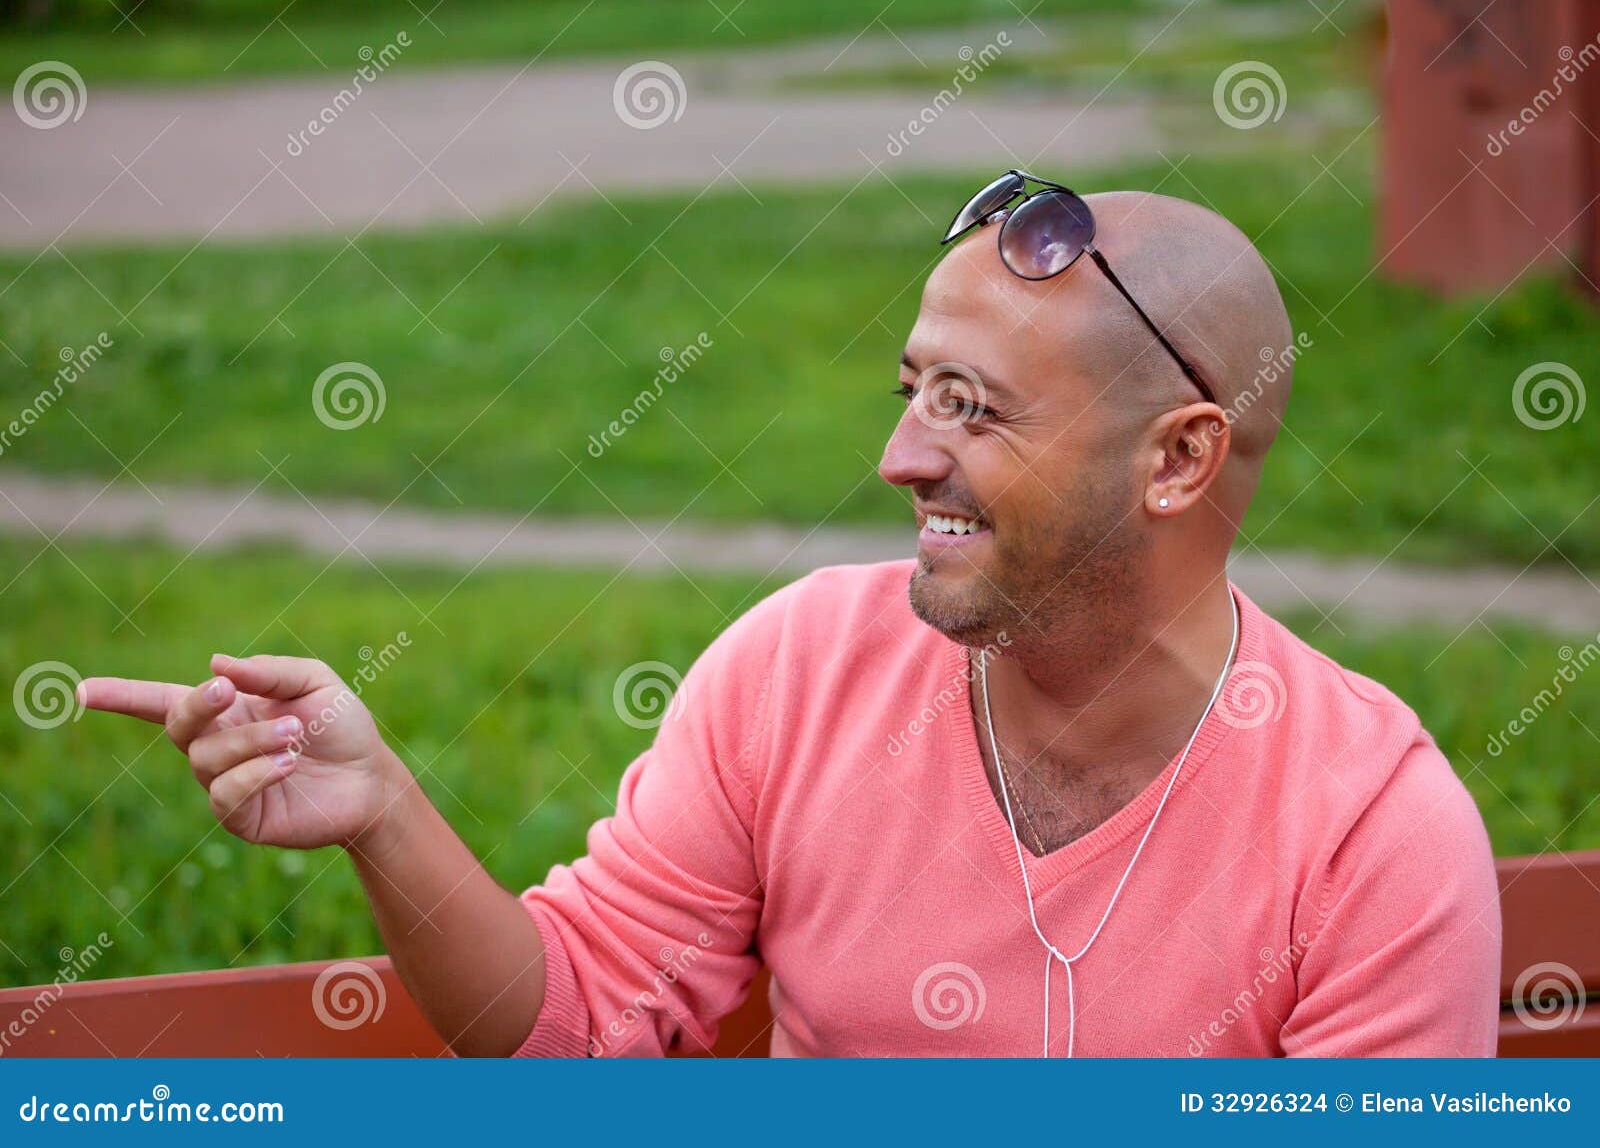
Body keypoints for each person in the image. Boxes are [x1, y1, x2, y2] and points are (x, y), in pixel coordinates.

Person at [76, 177, 1502, 1057]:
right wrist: (383, 810)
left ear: (1181, 458)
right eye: (912, 392)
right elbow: (575, 1025)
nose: (902, 459)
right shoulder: (799, 667)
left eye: (975, 409)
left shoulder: (1369, 829)